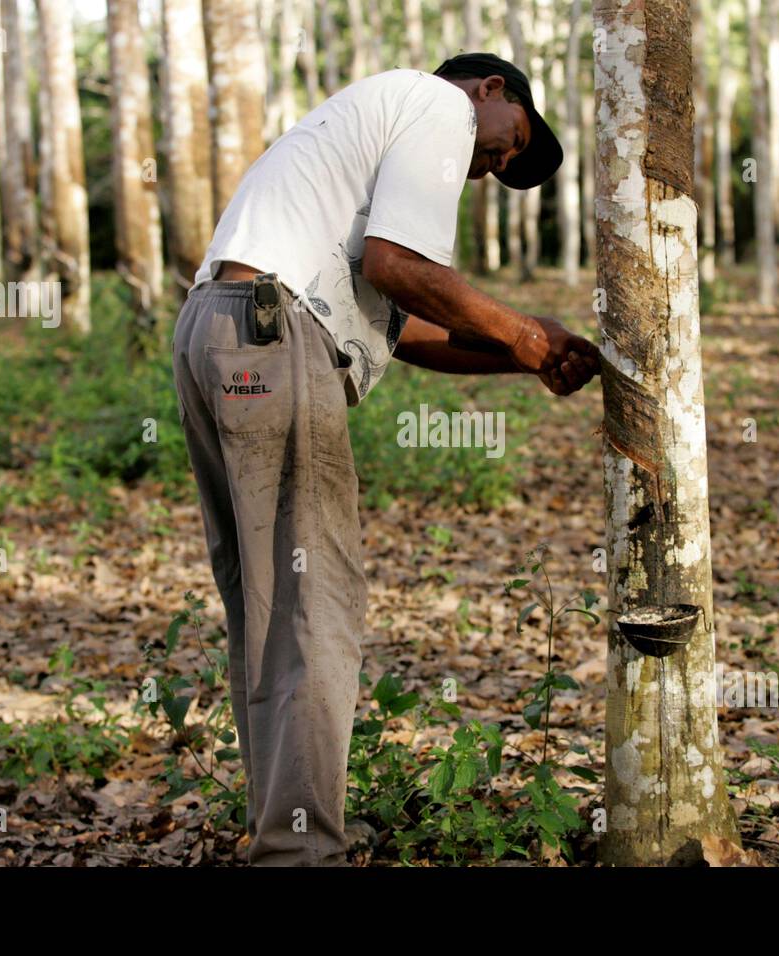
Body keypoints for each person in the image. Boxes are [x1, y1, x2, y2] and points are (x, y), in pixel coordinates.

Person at [170, 51, 601, 866]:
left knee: (267, 608)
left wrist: (529, 353)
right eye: (511, 144)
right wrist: (524, 331)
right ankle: (303, 854)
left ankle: (285, 833)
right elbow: (397, 268)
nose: (496, 163)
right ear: (491, 92)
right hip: (274, 337)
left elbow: (411, 330)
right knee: (316, 607)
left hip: (218, 329)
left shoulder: (363, 133)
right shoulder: (439, 107)